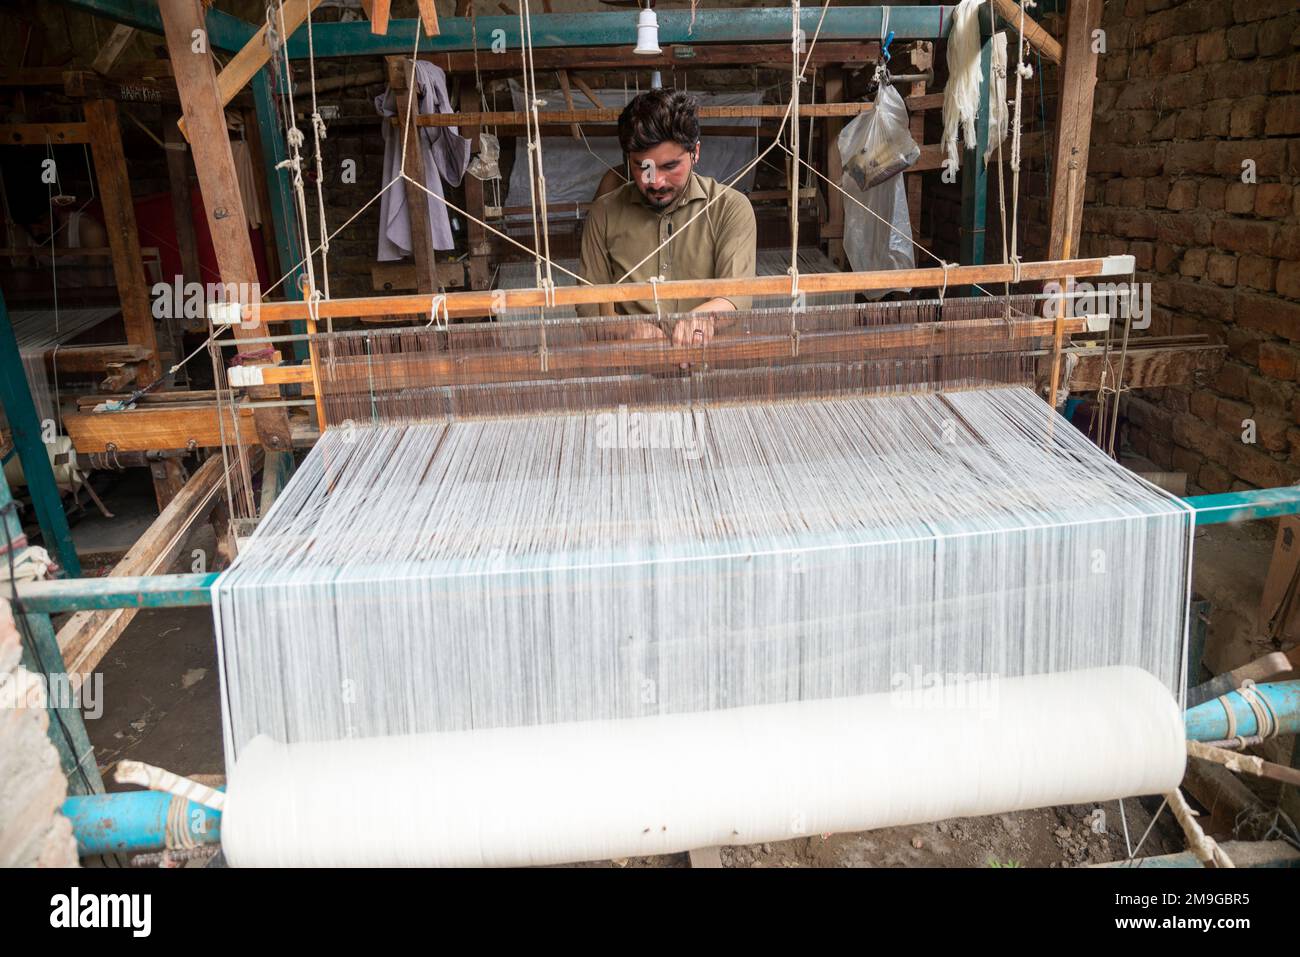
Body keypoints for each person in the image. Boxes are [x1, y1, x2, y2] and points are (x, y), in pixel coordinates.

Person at [577, 90, 756, 347]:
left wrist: (701, 321)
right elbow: (589, 308)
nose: (656, 182)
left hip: (709, 363)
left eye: (670, 166)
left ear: (695, 152)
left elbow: (736, 297)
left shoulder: (730, 209)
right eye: (642, 167)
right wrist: (629, 332)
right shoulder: (603, 214)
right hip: (630, 369)